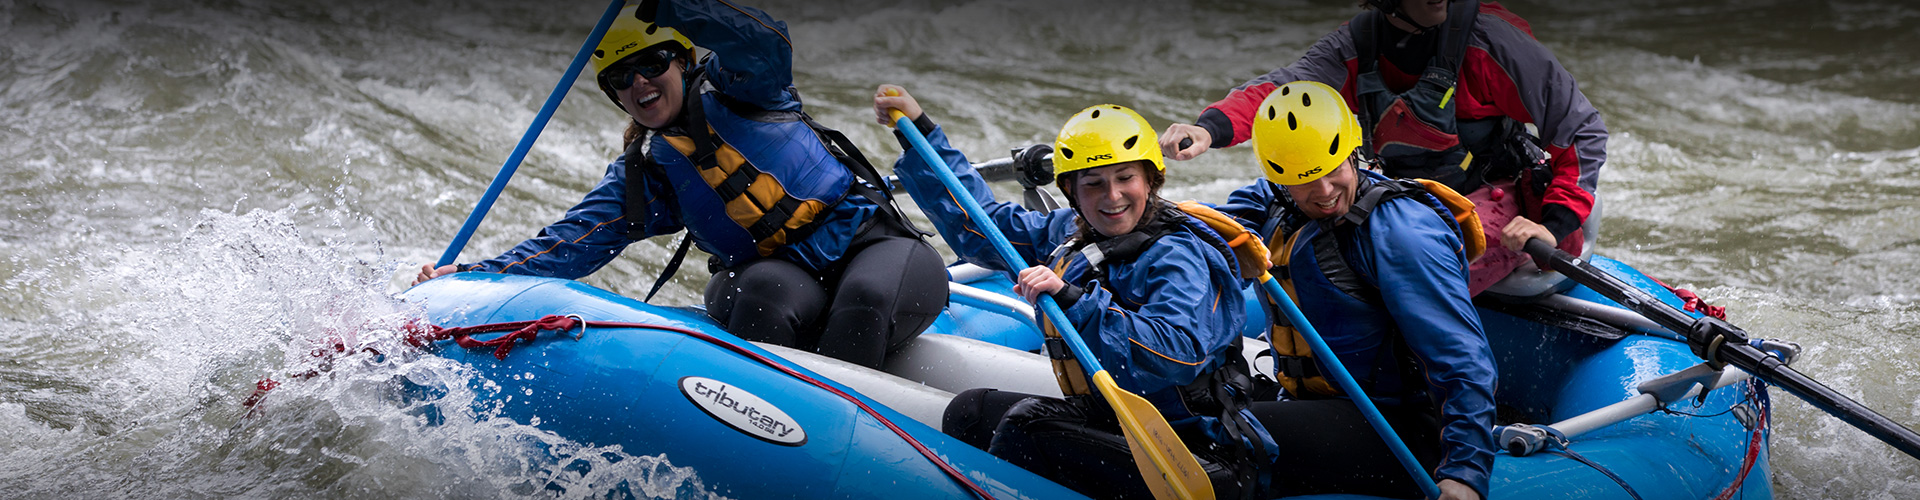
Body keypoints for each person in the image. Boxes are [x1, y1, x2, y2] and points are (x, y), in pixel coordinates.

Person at [413, 0, 946, 369]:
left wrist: (674, 6)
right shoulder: (648, 171)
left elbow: (763, 42)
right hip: (783, 278)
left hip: (871, 246)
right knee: (761, 291)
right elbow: (572, 241)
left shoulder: (746, 90)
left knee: (866, 297)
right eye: (621, 78)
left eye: (651, 63)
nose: (639, 82)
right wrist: (475, 274)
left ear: (685, 60)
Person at [873, 86, 1278, 499]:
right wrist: (919, 132)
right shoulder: (1072, 233)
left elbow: (1178, 352)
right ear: (1072, 191)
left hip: (1198, 453)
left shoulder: (1177, 256)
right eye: (1094, 184)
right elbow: (979, 224)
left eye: (1125, 178)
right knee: (972, 413)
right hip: (1117, 423)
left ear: (1150, 181)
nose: (1112, 196)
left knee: (1026, 426)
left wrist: (1074, 300)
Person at [1162, 0, 1608, 296]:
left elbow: (1581, 129)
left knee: (1412, 274)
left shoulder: (1492, 41)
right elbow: (1284, 90)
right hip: (1407, 196)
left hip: (1500, 198)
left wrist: (1554, 224)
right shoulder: (1358, 44)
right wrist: (1210, 129)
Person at [1214, 80, 1497, 500]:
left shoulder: (1401, 234)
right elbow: (1198, 241)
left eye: (1333, 170)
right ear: (1280, 178)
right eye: (1304, 180)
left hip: (1399, 431)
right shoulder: (1272, 202)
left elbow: (1461, 356)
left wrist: (1466, 472)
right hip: (1314, 404)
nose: (1324, 192)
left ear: (1354, 154)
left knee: (1217, 432)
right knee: (1195, 405)